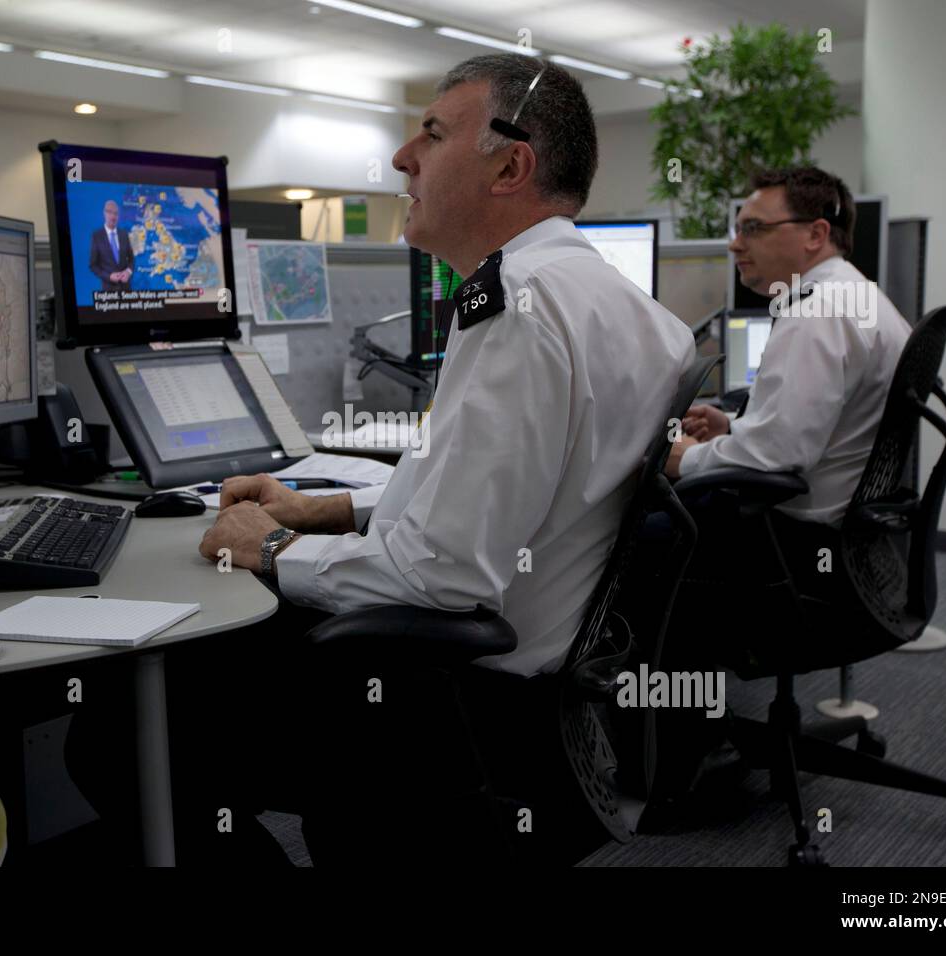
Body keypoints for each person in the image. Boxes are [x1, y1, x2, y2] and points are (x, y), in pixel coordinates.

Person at [110, 53, 693, 866]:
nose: (400, 159)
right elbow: (508, 497)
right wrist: (325, 510)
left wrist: (273, 549)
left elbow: (445, 576)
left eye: (431, 133)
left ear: (509, 166)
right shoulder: (627, 310)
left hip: (446, 700)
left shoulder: (516, 308)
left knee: (118, 734)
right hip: (539, 695)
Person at [638, 168, 912, 803]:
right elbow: (822, 433)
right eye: (737, 229)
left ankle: (688, 759)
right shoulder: (860, 299)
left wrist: (678, 460)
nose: (737, 244)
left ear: (816, 233)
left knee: (635, 550)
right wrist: (736, 425)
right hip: (856, 553)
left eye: (754, 229)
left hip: (803, 557)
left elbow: (775, 460)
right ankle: (691, 736)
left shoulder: (815, 314)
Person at [88, 199, 134, 291]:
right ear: (104, 213)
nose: (113, 216)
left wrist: (128, 272)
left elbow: (131, 259)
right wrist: (109, 276)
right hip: (108, 292)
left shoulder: (124, 234)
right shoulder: (97, 236)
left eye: (116, 213)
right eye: (109, 212)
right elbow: (93, 265)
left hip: (126, 290)